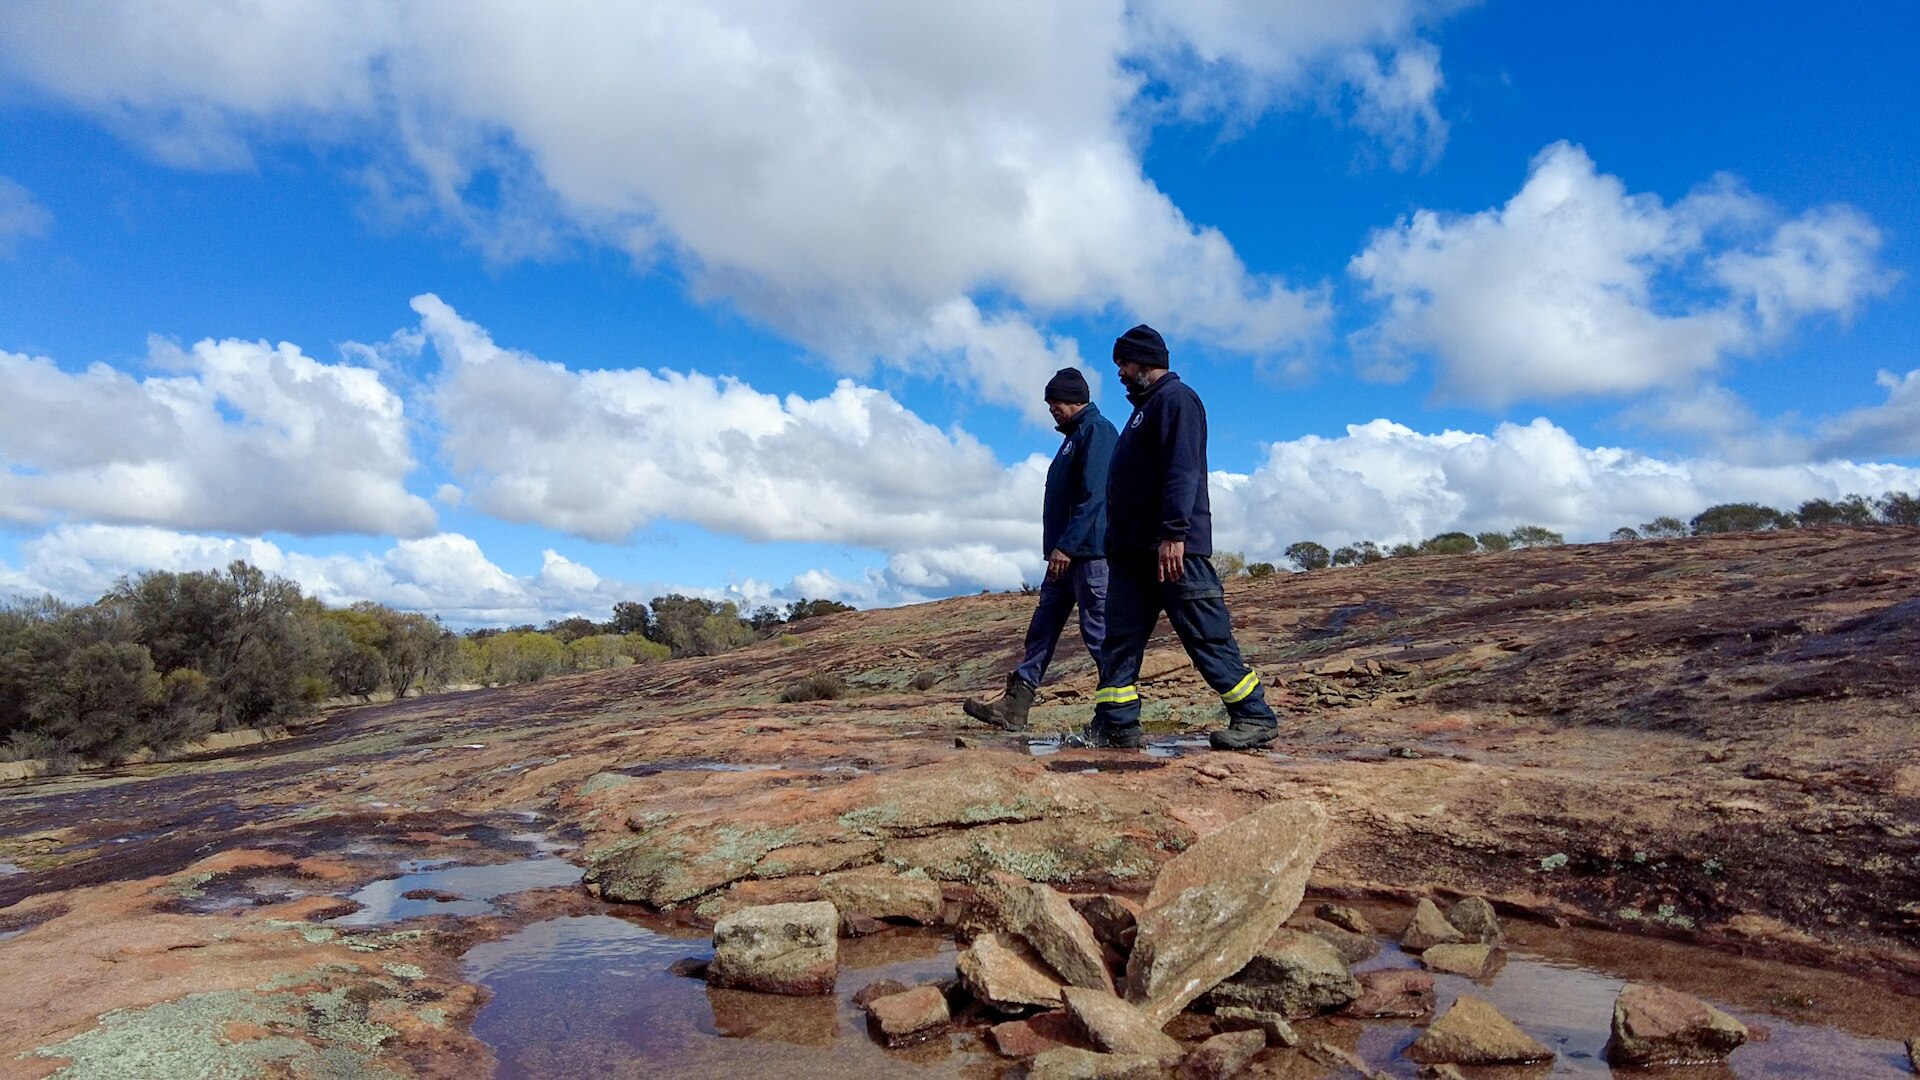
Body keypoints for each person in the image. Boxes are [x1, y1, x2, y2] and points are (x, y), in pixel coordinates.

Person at [1079, 324, 1281, 751]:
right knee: (1119, 642)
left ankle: (1254, 716)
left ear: (1145, 361)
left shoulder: (1176, 400)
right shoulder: (1143, 410)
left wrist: (1175, 534)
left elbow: (1182, 470)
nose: (1118, 373)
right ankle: (1116, 724)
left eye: (1124, 363)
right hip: (1133, 557)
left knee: (1205, 634)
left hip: (1172, 552)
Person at [963, 367, 1117, 731]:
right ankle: (1015, 707)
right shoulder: (1072, 437)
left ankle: (1118, 714)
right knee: (1042, 628)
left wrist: (1067, 546)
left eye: (1056, 403)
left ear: (1074, 398)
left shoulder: (1098, 432)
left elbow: (1094, 495)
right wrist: (1058, 551)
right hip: (1063, 559)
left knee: (1098, 633)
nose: (1051, 410)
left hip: (1089, 555)